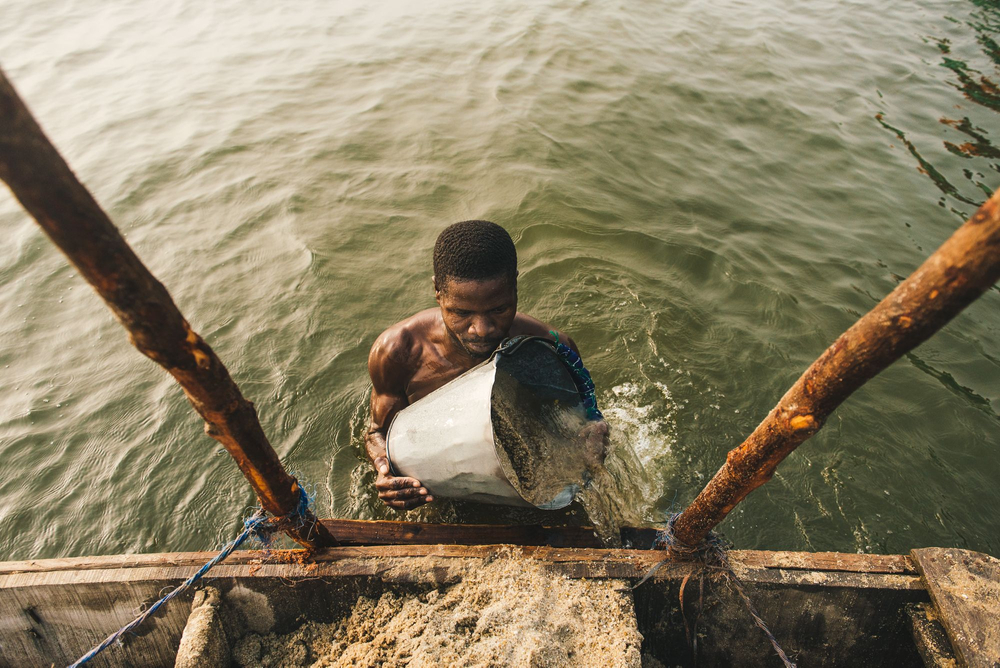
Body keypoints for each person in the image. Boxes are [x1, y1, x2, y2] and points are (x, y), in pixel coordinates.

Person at [365, 220, 607, 510]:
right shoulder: (399, 351)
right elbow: (377, 432)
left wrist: (591, 443)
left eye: (498, 309)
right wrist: (385, 471)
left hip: (520, 488)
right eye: (461, 312)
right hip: (437, 487)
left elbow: (580, 420)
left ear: (515, 285)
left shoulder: (550, 348)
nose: (481, 329)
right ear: (438, 291)